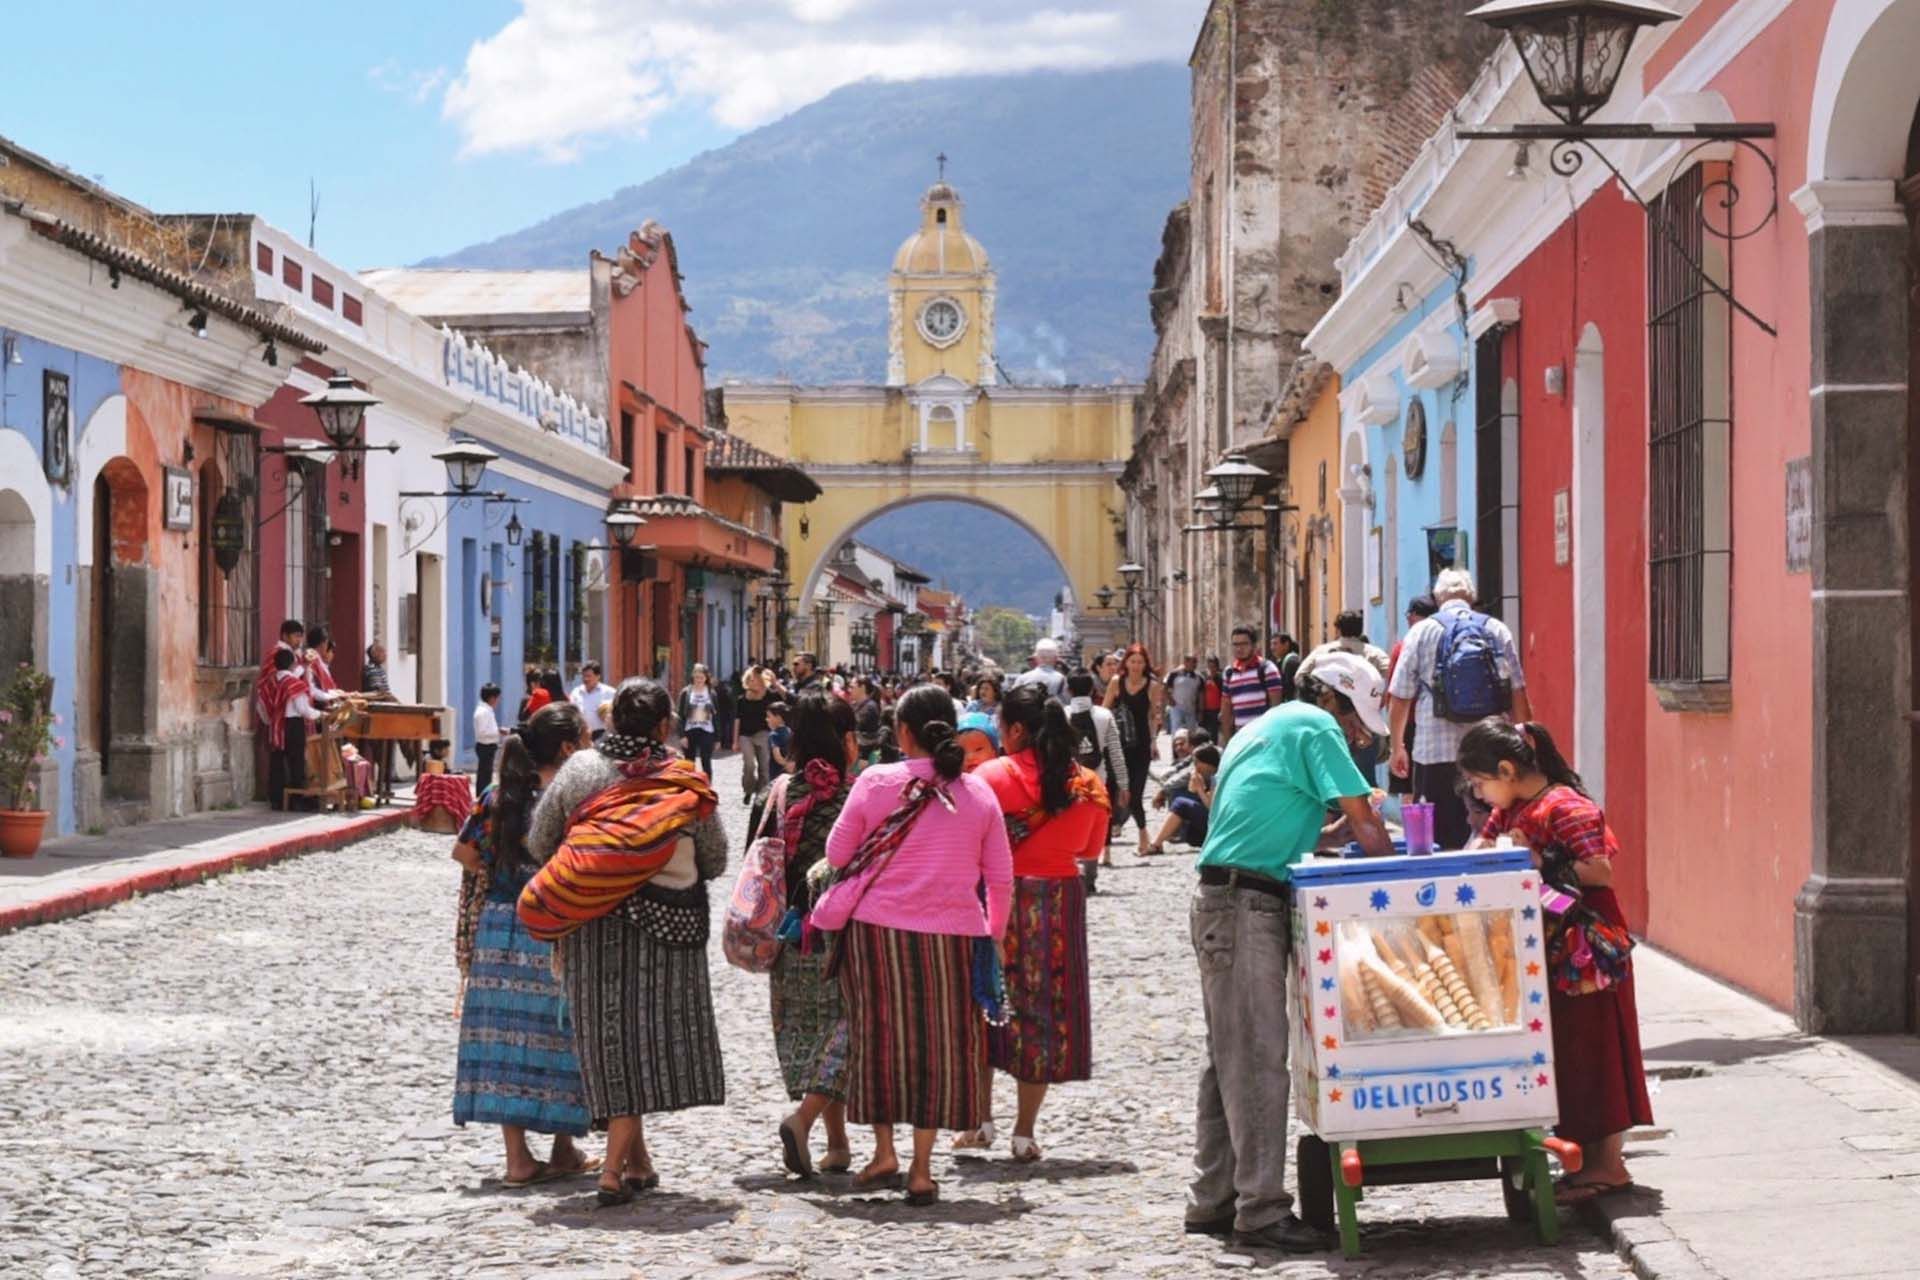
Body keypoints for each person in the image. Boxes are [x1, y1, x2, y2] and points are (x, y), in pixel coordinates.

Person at [1186, 651, 1394, 1252]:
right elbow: (1366, 823)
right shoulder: (1314, 725)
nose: (1356, 735)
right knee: (1255, 1057)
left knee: (1227, 1056)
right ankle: (1262, 1209)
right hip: (1245, 905)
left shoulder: (1267, 725)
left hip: (1226, 898)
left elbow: (1281, 817)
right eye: (1355, 720)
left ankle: (1214, 1197)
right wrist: (1398, 871)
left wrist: (1329, 835)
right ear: (1334, 697)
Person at [524, 678, 728, 1206]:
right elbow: (716, 858)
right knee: (644, 1043)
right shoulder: (683, 778)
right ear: (665, 726)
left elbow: (540, 841)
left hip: (593, 922)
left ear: (611, 720)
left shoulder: (580, 770)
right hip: (668, 929)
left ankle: (636, 1161)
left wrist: (596, 867)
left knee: (609, 1040)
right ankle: (614, 1170)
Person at [816, 685, 1013, 1207]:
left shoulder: (876, 782)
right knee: (940, 1048)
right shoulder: (977, 794)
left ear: (902, 733)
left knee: (881, 1040)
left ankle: (885, 1153)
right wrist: (993, 935)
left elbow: (837, 853)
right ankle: (923, 1170)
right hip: (953, 940)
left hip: (877, 935)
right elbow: (1000, 877)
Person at [1459, 718, 1651, 1205]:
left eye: (1481, 783)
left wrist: (1542, 863)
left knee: (1595, 1047)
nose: (1479, 794)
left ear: (1506, 769)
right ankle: (1581, 1162)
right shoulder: (1514, 810)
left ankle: (1607, 1166)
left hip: (1584, 945)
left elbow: (1599, 870)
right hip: (1546, 943)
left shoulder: (1564, 806)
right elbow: (1487, 845)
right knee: (1567, 1049)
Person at [450, 702, 597, 1186]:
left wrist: (502, 873)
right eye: (585, 738)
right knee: (560, 1036)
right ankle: (562, 1147)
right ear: (567, 747)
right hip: (551, 925)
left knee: (504, 1041)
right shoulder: (571, 798)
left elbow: (464, 852)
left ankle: (518, 1159)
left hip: (498, 928)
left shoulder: (498, 794)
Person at [969, 683, 1109, 1162]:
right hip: (1057, 902)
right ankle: (1024, 1132)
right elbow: (1090, 851)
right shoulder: (1088, 784)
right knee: (1043, 1015)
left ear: (1016, 730)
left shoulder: (988, 776)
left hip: (996, 901)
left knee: (984, 1003)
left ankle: (980, 1120)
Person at [769, 691, 861, 1179]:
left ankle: (838, 1143)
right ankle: (804, 1121)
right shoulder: (858, 793)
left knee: (810, 1034)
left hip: (791, 933)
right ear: (847, 740)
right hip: (845, 936)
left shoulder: (782, 792)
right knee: (846, 1032)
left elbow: (759, 857)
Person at [1387, 568, 1531, 851]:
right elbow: (1518, 692)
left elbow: (1400, 696)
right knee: (1489, 834)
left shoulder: (1422, 631)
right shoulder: (1496, 629)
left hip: (1434, 753)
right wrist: (1525, 741)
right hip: (1489, 751)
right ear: (1472, 596)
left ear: (1438, 598)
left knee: (1439, 838)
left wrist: (1397, 746)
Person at [1064, 669, 1128, 876]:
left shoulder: (1063, 715)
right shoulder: (1104, 715)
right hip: (1098, 780)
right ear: (1092, 690)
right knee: (1095, 828)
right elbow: (1116, 754)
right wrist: (1124, 784)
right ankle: (1090, 876)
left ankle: (1073, 871)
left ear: (1069, 689)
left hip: (1069, 781)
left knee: (1071, 826)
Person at [1104, 644, 1163, 859]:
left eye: (1140, 662)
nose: (1136, 666)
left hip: (1140, 747)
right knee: (1111, 794)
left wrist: (1154, 741)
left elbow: (1153, 716)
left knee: (1135, 794)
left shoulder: (1152, 686)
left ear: (1145, 664)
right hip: (1117, 746)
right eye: (1133, 661)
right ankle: (1106, 848)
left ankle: (1143, 837)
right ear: (1126, 663)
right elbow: (1105, 710)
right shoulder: (1116, 683)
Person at [1385, 596, 1438, 798]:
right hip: (1435, 722)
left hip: (1408, 722)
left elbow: (1394, 690)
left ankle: (1412, 827)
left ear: (1414, 616)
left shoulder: (1404, 645)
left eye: (1409, 614)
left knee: (1406, 783)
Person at [257, 646, 322, 810]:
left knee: (277, 763)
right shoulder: (294, 683)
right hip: (293, 725)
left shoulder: (268, 683)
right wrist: (320, 715)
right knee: (296, 763)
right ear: (293, 665)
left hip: (276, 727)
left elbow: (261, 707)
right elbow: (303, 709)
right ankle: (297, 801)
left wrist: (271, 721)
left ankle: (277, 799)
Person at [1146, 744, 1219, 855]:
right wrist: (1197, 788)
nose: (1196, 767)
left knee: (1181, 803)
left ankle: (1156, 844)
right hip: (1213, 822)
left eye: (1197, 763)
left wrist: (1200, 790)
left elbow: (1212, 807)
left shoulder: (1217, 777)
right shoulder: (1207, 776)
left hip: (1219, 821)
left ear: (1207, 762)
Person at [1219, 628, 1284, 743]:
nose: (1239, 648)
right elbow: (1226, 712)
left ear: (1254, 645)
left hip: (1263, 739)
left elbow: (1276, 708)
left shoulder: (1267, 669)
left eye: (1244, 644)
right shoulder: (1229, 673)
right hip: (1240, 740)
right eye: (1235, 644)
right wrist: (1228, 744)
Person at [1296, 611, 1391, 685]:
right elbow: (1391, 674)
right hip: (1364, 706)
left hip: (1331, 706)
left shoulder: (1321, 652)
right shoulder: (1375, 654)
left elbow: (1300, 676)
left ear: (1338, 630)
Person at [736, 666, 775, 806]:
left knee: (764, 766)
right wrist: (735, 740)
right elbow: (737, 719)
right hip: (745, 735)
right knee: (749, 765)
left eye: (757, 679)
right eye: (751, 679)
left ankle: (761, 794)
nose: (754, 682)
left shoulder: (769, 695)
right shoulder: (742, 699)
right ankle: (748, 790)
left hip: (763, 733)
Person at [677, 663, 720, 776]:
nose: (699, 680)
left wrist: (718, 738)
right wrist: (682, 735)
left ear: (706, 677)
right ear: (693, 677)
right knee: (689, 762)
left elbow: (716, 716)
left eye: (701, 677)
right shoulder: (686, 692)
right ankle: (689, 787)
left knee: (706, 760)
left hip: (707, 730)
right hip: (690, 729)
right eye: (696, 677)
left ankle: (707, 787)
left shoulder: (711, 693)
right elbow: (680, 715)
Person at [1010, 637, 1067, 703]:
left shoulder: (1022, 678)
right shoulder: (1061, 678)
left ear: (1036, 658)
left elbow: (1012, 699)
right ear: (1056, 658)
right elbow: (1067, 701)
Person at [570, 661, 614, 741]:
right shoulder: (576, 692)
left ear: (598, 676)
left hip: (602, 735)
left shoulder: (610, 692)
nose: (585, 679)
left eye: (589, 676)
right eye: (583, 676)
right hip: (581, 735)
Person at [473, 683, 504, 796]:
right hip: (485, 746)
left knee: (487, 775)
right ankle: (482, 798)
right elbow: (482, 732)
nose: (498, 701)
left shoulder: (487, 710)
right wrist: (498, 732)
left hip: (489, 746)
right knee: (484, 776)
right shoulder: (482, 712)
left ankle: (484, 797)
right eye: (497, 698)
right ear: (491, 698)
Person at [1165, 655, 1204, 737]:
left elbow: (1201, 695)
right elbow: (1165, 688)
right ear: (1185, 662)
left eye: (1195, 662)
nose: (1194, 665)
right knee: (1176, 731)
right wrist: (1170, 699)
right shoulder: (1174, 674)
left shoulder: (1198, 678)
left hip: (1191, 709)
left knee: (1191, 733)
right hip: (1176, 708)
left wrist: (1201, 711)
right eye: (1192, 662)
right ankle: (1175, 748)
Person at [1269, 634, 1302, 703]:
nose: (1272, 648)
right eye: (1271, 644)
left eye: (1275, 644)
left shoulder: (1291, 662)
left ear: (1286, 644)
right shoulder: (1284, 661)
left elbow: (1290, 690)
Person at [1200, 656, 1225, 740]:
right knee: (1204, 733)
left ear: (1217, 667)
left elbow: (1224, 695)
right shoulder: (1203, 677)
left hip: (1216, 710)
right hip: (1205, 710)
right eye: (1209, 666)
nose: (1211, 669)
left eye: (1213, 666)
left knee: (1214, 734)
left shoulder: (1221, 678)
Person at [768, 702, 793, 773]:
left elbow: (777, 756)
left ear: (778, 717)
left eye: (769, 716)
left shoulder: (773, 735)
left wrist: (786, 764)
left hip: (776, 772)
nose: (767, 719)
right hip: (789, 771)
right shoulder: (790, 731)